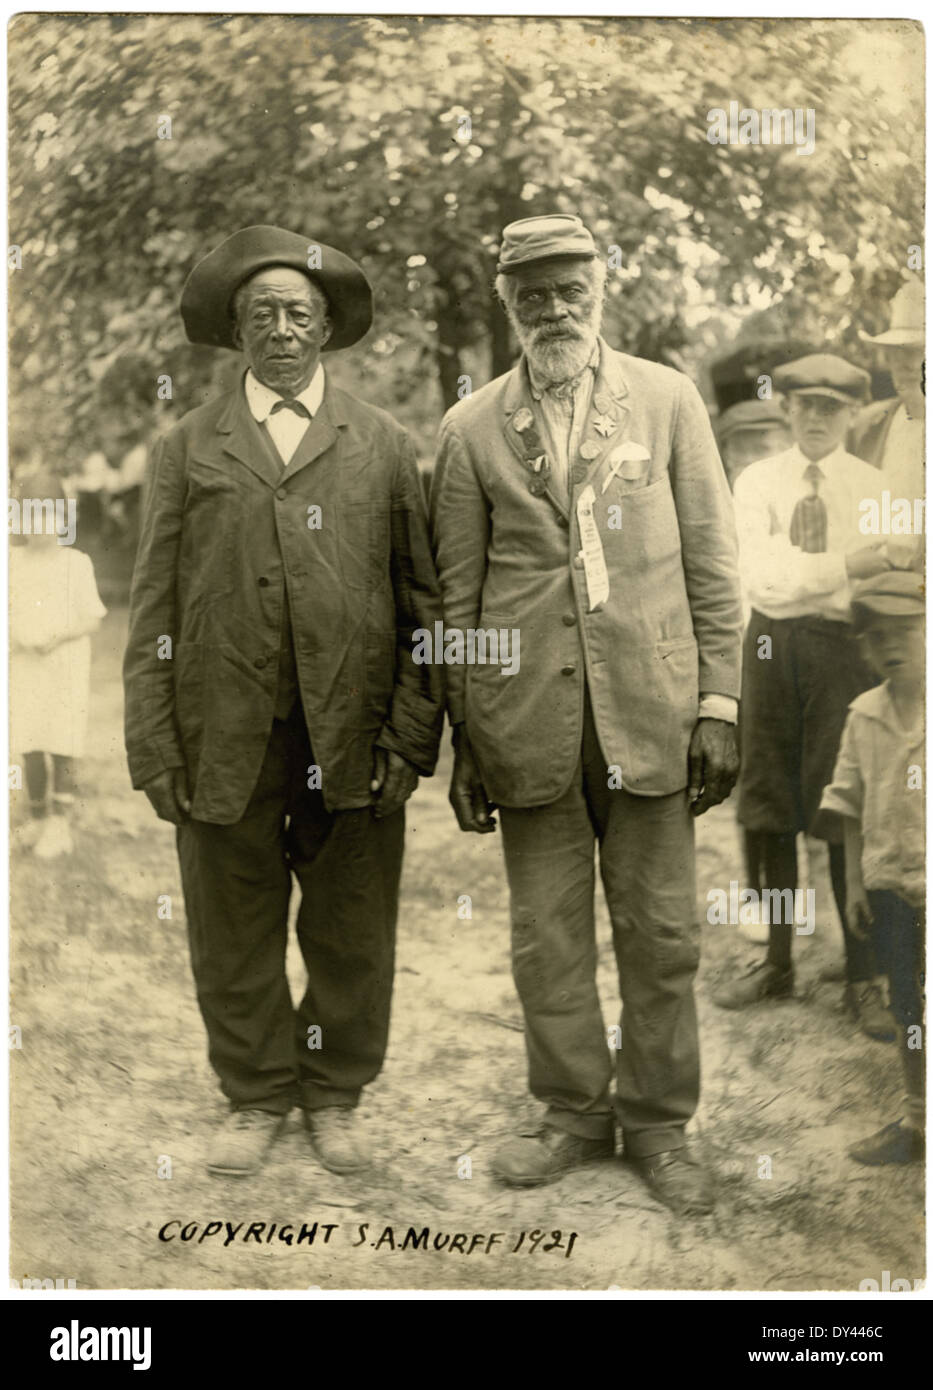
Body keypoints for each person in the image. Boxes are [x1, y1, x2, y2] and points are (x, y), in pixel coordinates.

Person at [431, 213, 744, 1216]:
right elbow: (458, 601)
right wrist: (468, 738)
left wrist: (721, 700)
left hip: (651, 714)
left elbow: (712, 560)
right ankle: (571, 1112)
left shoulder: (667, 400)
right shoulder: (469, 427)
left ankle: (658, 1124)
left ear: (601, 285)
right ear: (507, 301)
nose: (554, 309)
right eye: (533, 292)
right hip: (527, 724)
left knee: (661, 933)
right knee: (546, 940)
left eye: (570, 288)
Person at [124, 226, 444, 1178]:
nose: (281, 327)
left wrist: (412, 731)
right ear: (234, 330)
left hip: (351, 732)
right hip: (224, 732)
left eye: (298, 312)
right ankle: (258, 1091)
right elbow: (153, 607)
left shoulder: (382, 445)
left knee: (350, 923)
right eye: (260, 312)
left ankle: (334, 1088)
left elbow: (419, 599)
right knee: (232, 921)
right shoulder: (187, 448)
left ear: (328, 328)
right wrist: (153, 743)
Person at [715, 355, 895, 1039]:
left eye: (832, 407)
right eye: (805, 406)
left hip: (843, 654)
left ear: (852, 414)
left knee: (843, 804)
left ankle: (862, 975)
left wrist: (819, 579)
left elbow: (873, 583)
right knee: (768, 804)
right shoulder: (757, 480)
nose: (817, 419)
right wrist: (843, 565)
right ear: (784, 409)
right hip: (767, 650)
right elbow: (763, 582)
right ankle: (779, 961)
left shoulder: (873, 486)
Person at [817, 571, 924, 1164]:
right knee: (908, 1005)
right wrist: (856, 881)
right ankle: (916, 1120)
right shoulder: (864, 714)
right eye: (876, 636)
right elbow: (848, 803)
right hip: (889, 887)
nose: (890, 646)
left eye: (905, 631)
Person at [10, 470, 106, 860]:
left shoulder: (76, 563)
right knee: (30, 742)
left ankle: (60, 825)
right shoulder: (11, 560)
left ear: (63, 519)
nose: (39, 528)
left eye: (48, 517)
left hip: (62, 665)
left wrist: (57, 635)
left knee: (61, 742)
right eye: (30, 517)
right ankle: (36, 818)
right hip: (25, 664)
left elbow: (93, 618)